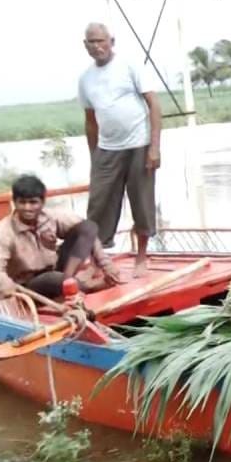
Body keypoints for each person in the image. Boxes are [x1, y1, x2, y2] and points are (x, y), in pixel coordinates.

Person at [78, 22, 162, 279]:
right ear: (85, 46)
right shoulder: (86, 79)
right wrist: (94, 157)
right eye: (92, 42)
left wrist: (154, 148)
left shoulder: (130, 66)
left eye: (101, 41)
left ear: (111, 41)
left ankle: (141, 257)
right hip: (107, 148)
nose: (97, 46)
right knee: (98, 206)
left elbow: (154, 105)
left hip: (139, 144)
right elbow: (90, 121)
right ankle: (97, 261)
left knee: (141, 201)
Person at [0, 175, 122, 301]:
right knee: (53, 278)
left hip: (56, 270)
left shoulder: (50, 217)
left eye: (33, 202)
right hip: (29, 283)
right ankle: (86, 286)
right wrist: (4, 283)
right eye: (22, 202)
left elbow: (88, 230)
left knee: (88, 227)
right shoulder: (4, 231)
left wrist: (106, 265)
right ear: (14, 202)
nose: (27, 208)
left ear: (42, 202)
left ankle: (68, 283)